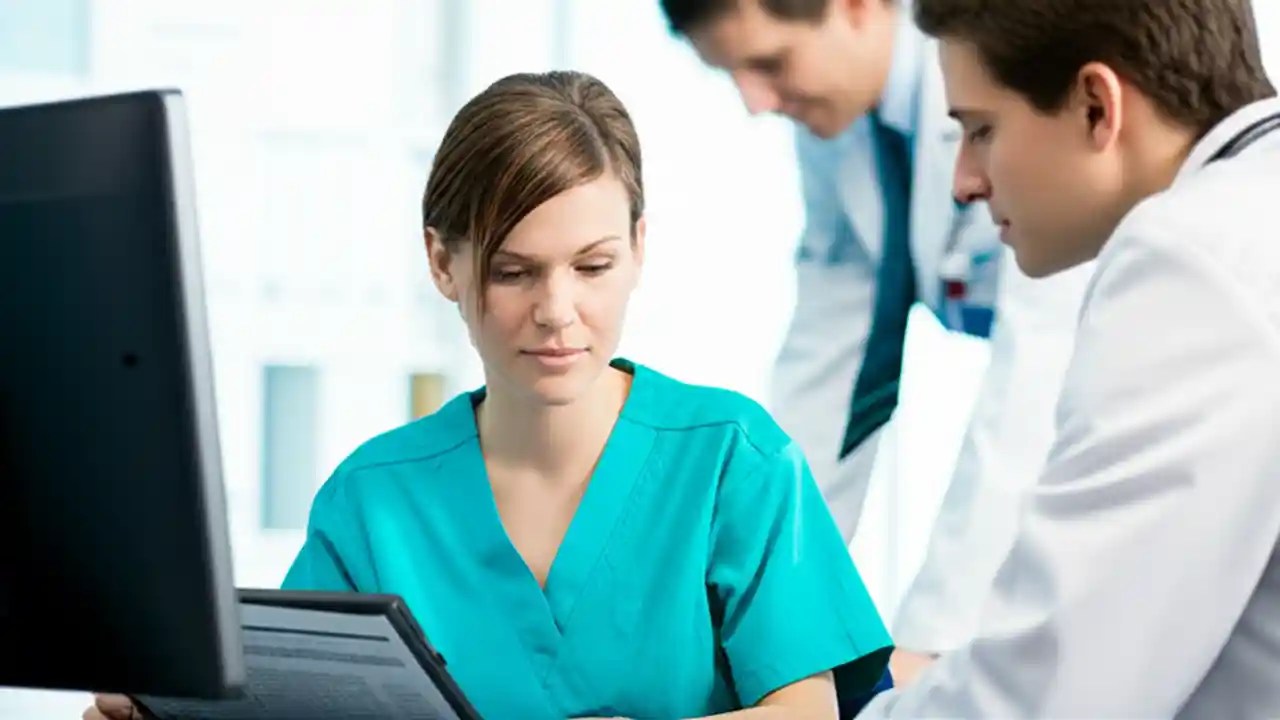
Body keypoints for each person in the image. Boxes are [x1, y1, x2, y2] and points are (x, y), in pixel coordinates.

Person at [86, 70, 893, 720]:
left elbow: (804, 711)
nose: (557, 311)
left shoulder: (732, 458)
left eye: (594, 265)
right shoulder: (375, 500)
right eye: (513, 271)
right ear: (443, 263)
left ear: (641, 248)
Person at [854, 0, 1280, 716]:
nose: (966, 180)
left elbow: (1051, 695)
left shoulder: (1192, 258)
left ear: (1095, 106)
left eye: (981, 130)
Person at [658, 0, 1094, 672]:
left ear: (858, 6)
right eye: (734, 74)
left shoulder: (1014, 73)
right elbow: (829, 373)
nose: (755, 102)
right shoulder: (838, 132)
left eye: (769, 63)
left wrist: (929, 640)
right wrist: (742, 612)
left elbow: (1029, 388)